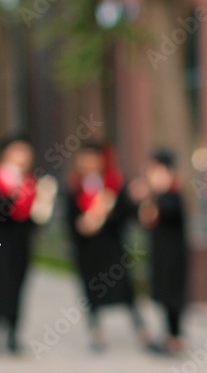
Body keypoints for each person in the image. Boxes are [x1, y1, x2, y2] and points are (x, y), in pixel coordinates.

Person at [65, 143, 148, 352]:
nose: (89, 163)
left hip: (112, 246)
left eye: (93, 158)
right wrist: (81, 225)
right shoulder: (75, 187)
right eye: (85, 158)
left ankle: (140, 329)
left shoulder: (113, 184)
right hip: (87, 250)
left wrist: (117, 210)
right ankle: (96, 332)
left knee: (125, 288)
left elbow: (127, 213)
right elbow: (70, 219)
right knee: (91, 289)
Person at [0, 137, 56, 353]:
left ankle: (13, 334)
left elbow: (37, 219)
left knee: (18, 287)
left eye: (26, 152)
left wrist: (43, 201)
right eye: (18, 151)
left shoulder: (33, 183)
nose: (22, 157)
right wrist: (15, 194)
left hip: (21, 244)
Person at [128, 148, 191, 356]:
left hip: (174, 258)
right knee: (163, 297)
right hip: (160, 256)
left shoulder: (173, 194)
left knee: (173, 298)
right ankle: (170, 337)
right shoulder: (157, 195)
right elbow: (143, 219)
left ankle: (176, 339)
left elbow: (164, 212)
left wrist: (151, 194)